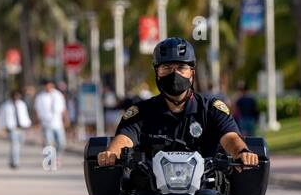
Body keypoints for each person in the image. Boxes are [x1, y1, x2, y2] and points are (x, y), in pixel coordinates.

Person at [97, 38, 259, 171]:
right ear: (157, 73)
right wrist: (112, 153)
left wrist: (242, 152)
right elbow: (125, 138)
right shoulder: (142, 111)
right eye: (166, 67)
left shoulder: (211, 108)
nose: (174, 73)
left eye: (182, 67)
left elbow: (230, 137)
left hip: (206, 189)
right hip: (150, 191)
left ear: (192, 73)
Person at [0, 89, 32, 169]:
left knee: (19, 144)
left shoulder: (22, 104)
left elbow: (25, 115)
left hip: (21, 127)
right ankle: (15, 163)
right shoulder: (6, 105)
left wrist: (28, 125)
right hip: (12, 128)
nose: (16, 97)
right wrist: (1, 128)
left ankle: (12, 160)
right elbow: (1, 117)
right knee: (15, 145)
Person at [35, 78, 68, 154]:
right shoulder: (40, 96)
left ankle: (58, 156)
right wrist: (37, 122)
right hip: (46, 124)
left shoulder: (58, 95)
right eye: (47, 85)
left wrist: (66, 119)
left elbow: (63, 108)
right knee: (48, 144)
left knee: (61, 143)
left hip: (58, 123)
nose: (48, 87)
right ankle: (50, 160)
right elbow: (37, 110)